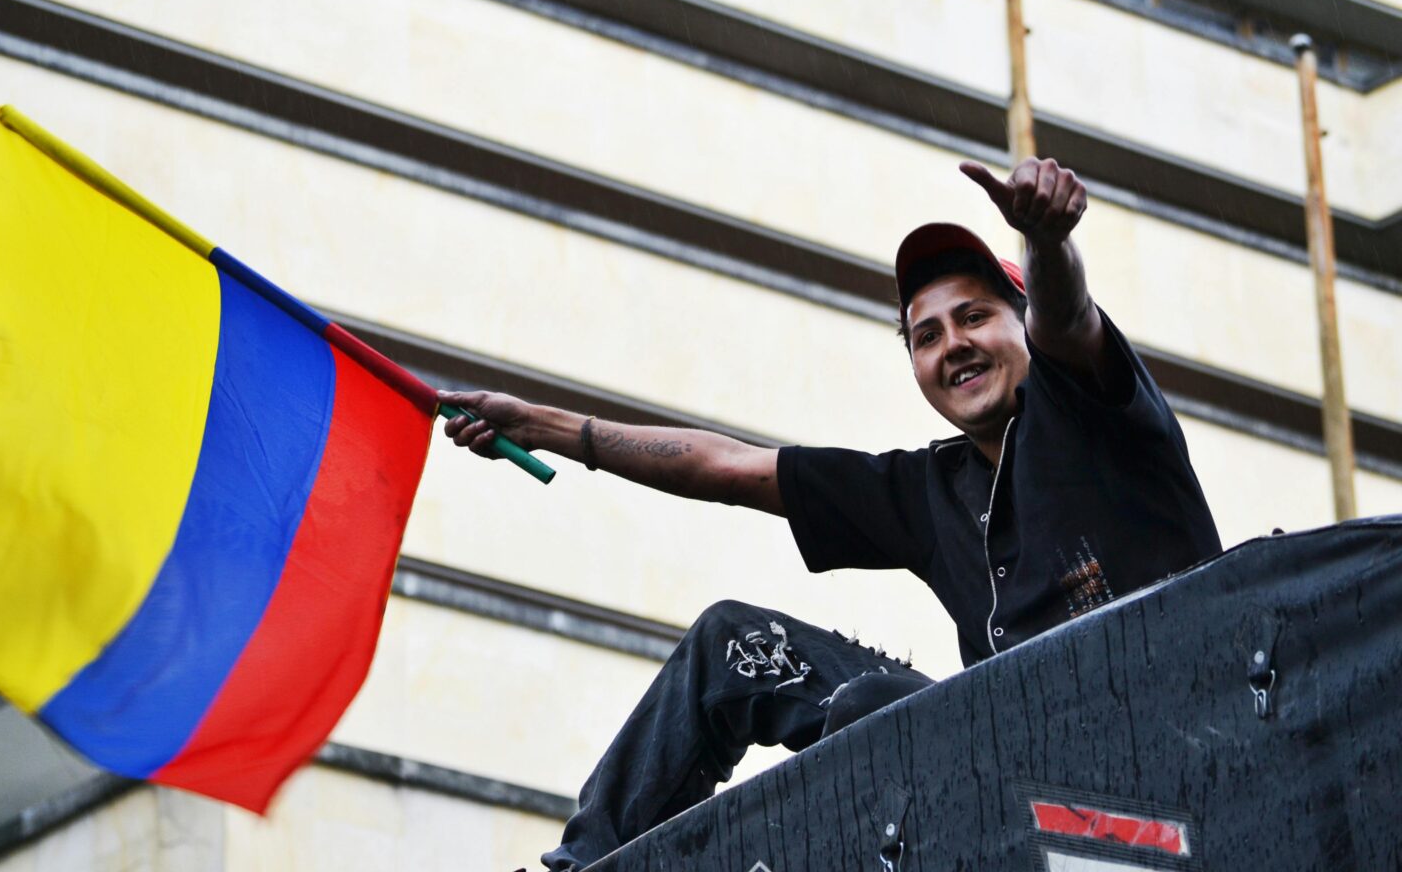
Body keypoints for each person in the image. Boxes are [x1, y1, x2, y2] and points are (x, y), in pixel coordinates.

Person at [438, 157, 1222, 871]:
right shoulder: (925, 490)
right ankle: (586, 868)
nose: (953, 345)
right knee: (733, 644)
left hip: (1157, 766)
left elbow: (1066, 316)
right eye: (927, 335)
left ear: (1021, 324)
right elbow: (729, 467)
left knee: (872, 712)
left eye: (976, 316)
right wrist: (543, 426)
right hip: (995, 768)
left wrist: (1047, 241)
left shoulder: (1096, 410)